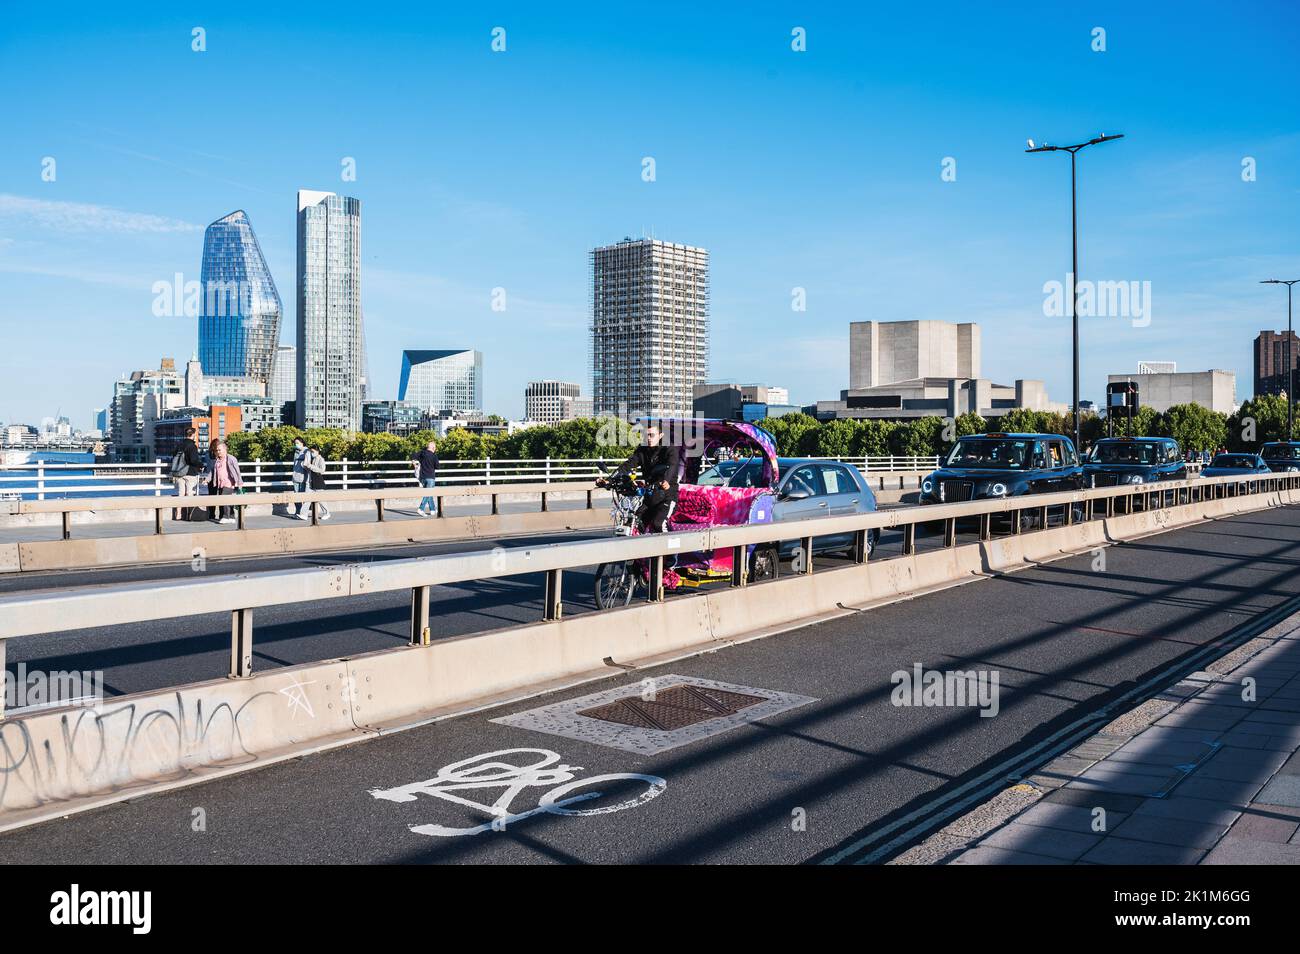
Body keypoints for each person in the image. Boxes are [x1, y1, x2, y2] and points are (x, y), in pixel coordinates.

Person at [596, 423, 680, 533]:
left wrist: (666, 480)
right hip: (649, 496)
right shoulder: (642, 449)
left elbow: (672, 466)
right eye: (646, 435)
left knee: (658, 523)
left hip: (667, 496)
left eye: (652, 435)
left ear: (660, 435)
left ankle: (670, 550)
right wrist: (609, 480)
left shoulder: (669, 448)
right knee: (635, 522)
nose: (649, 438)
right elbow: (627, 465)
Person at [170, 426, 204, 520]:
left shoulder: (179, 445)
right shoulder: (192, 446)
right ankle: (190, 514)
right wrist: (201, 465)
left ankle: (178, 514)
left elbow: (174, 456)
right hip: (190, 472)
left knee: (181, 493)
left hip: (179, 472)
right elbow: (193, 460)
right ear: (193, 435)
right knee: (189, 493)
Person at [206, 441, 243, 524]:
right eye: (217, 450)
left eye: (220, 450)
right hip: (220, 483)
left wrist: (239, 482)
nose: (218, 452)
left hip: (229, 482)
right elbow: (212, 471)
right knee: (228, 500)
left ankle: (226, 516)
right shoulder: (217, 460)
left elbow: (237, 471)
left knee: (224, 499)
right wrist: (207, 479)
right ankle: (232, 516)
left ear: (225, 449)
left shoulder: (231, 458)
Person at [298, 443, 331, 521]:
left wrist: (310, 466)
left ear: (317, 451)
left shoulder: (321, 459)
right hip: (310, 482)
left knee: (321, 500)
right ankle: (303, 515)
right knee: (307, 498)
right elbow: (309, 469)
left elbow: (322, 471)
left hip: (318, 482)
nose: (312, 453)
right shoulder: (311, 458)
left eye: (313, 451)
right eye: (311, 451)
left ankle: (327, 513)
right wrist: (305, 465)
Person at [411, 440, 439, 516]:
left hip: (422, 477)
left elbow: (413, 455)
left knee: (429, 493)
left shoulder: (422, 453)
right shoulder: (434, 456)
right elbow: (437, 466)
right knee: (428, 493)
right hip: (430, 477)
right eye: (435, 447)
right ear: (433, 448)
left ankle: (432, 509)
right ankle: (421, 509)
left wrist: (414, 463)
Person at [290, 437, 310, 519]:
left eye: (297, 443)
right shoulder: (296, 452)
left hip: (303, 477)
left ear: (302, 442)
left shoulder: (306, 451)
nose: (296, 444)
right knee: (296, 497)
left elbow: (307, 464)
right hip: (295, 477)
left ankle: (303, 513)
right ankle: (298, 512)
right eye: (295, 443)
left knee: (303, 496)